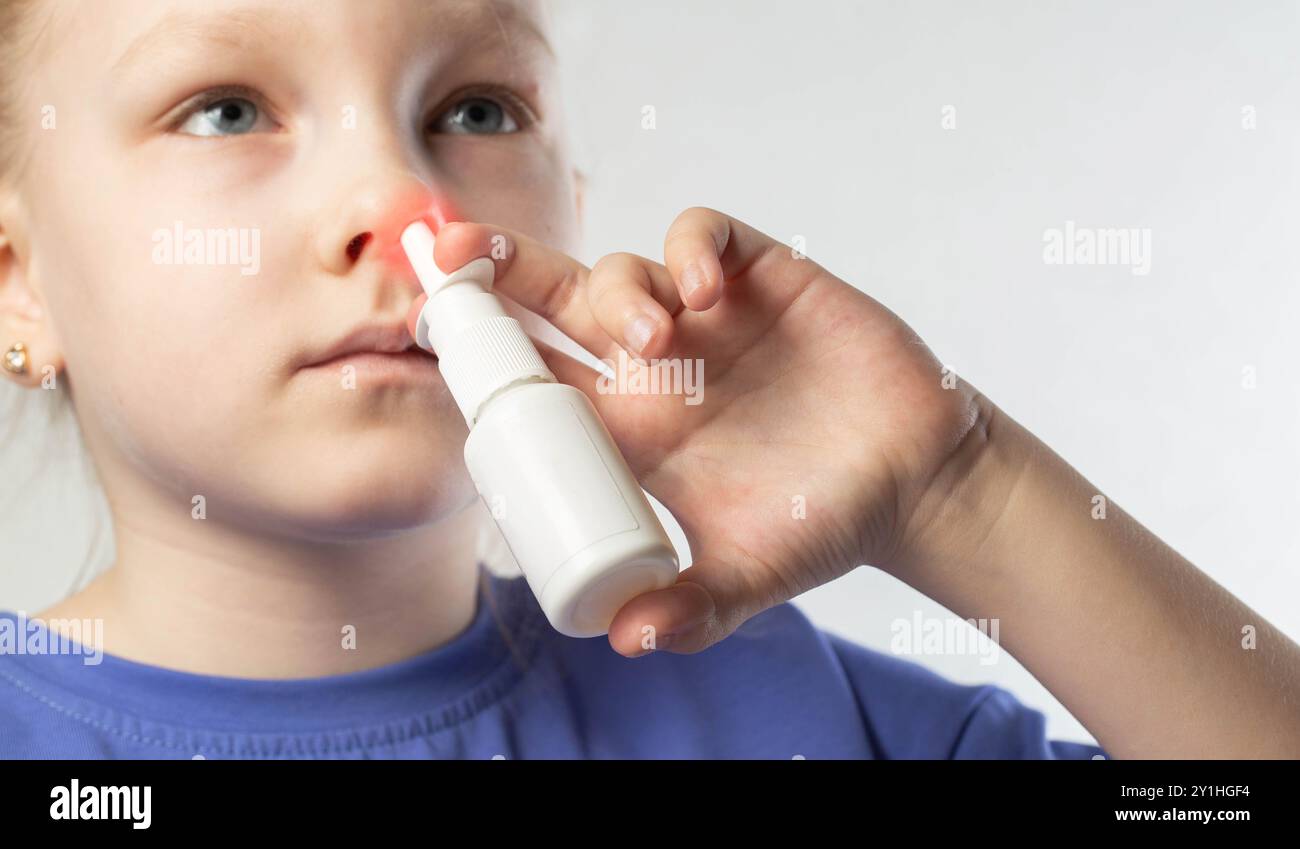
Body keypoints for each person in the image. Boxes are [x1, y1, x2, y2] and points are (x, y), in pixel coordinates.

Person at [0, 0, 1295, 759]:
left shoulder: (779, 702)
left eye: (479, 109)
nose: (404, 207)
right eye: (226, 109)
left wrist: (966, 492)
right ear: (19, 278)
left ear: (572, 200)